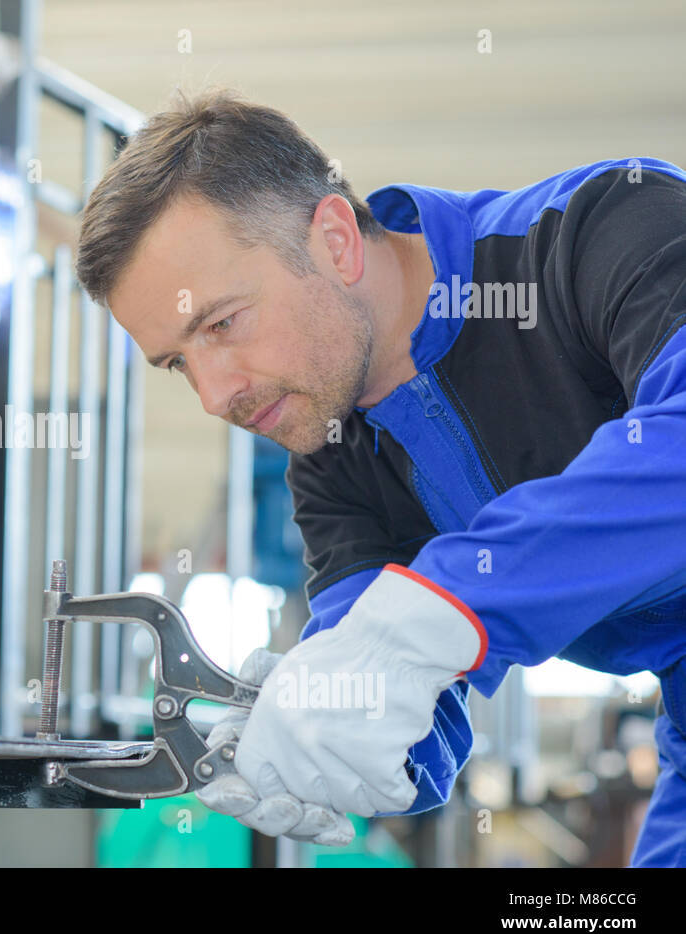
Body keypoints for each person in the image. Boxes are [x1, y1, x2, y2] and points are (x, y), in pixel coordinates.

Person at [75, 89, 686, 866]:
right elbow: (414, 738)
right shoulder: (329, 457)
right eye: (176, 362)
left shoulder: (602, 230)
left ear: (334, 239)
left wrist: (442, 609)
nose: (214, 394)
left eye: (222, 323)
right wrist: (315, 735)